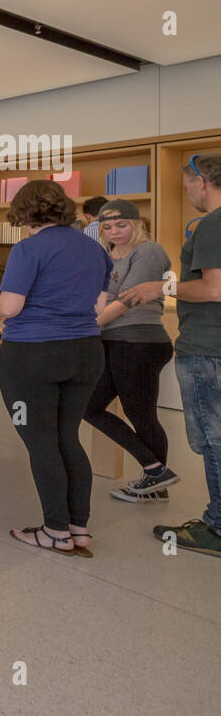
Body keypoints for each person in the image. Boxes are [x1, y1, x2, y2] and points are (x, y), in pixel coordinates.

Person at [0, 180, 110, 555]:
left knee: (40, 441)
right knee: (67, 438)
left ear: (24, 213)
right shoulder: (95, 250)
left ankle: (55, 531)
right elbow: (97, 308)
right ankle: (78, 528)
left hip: (33, 356)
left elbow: (10, 307)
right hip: (86, 351)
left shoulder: (28, 249)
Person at [120, 154, 221, 556]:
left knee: (212, 441)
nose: (188, 193)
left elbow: (214, 289)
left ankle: (216, 527)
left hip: (207, 350)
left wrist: (160, 289)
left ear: (202, 180)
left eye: (187, 185)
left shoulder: (212, 224)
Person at [80, 200, 177, 502]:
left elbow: (127, 299)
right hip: (114, 342)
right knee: (90, 407)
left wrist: (89, 326)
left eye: (121, 225)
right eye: (107, 227)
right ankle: (156, 472)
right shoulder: (108, 254)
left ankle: (156, 482)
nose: (114, 231)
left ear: (137, 224)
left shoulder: (148, 251)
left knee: (141, 415)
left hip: (139, 343)